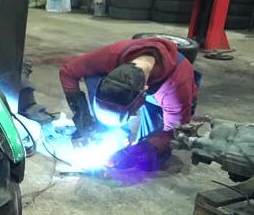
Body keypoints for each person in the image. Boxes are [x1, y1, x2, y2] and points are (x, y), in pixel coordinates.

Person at [59, 37, 199, 170]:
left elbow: (172, 133)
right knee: (92, 76)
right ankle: (107, 131)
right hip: (146, 84)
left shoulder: (174, 89)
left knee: (153, 158)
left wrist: (132, 154)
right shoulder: (112, 55)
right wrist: (82, 118)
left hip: (163, 97)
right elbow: (68, 72)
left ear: (142, 96)